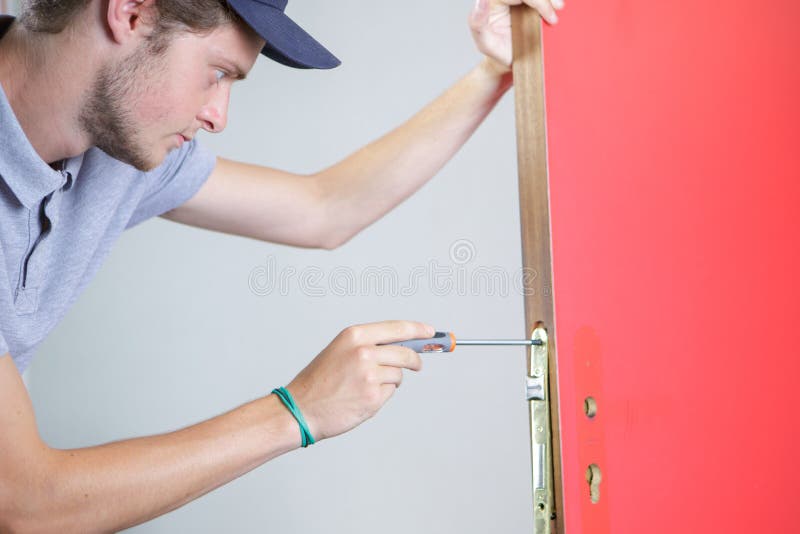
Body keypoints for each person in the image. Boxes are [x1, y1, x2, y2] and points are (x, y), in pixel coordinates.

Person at [0, 0, 563, 530]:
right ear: (131, 10)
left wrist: (492, 71)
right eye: (217, 72)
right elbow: (25, 505)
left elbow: (325, 209)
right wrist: (297, 412)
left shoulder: (117, 153)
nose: (219, 117)